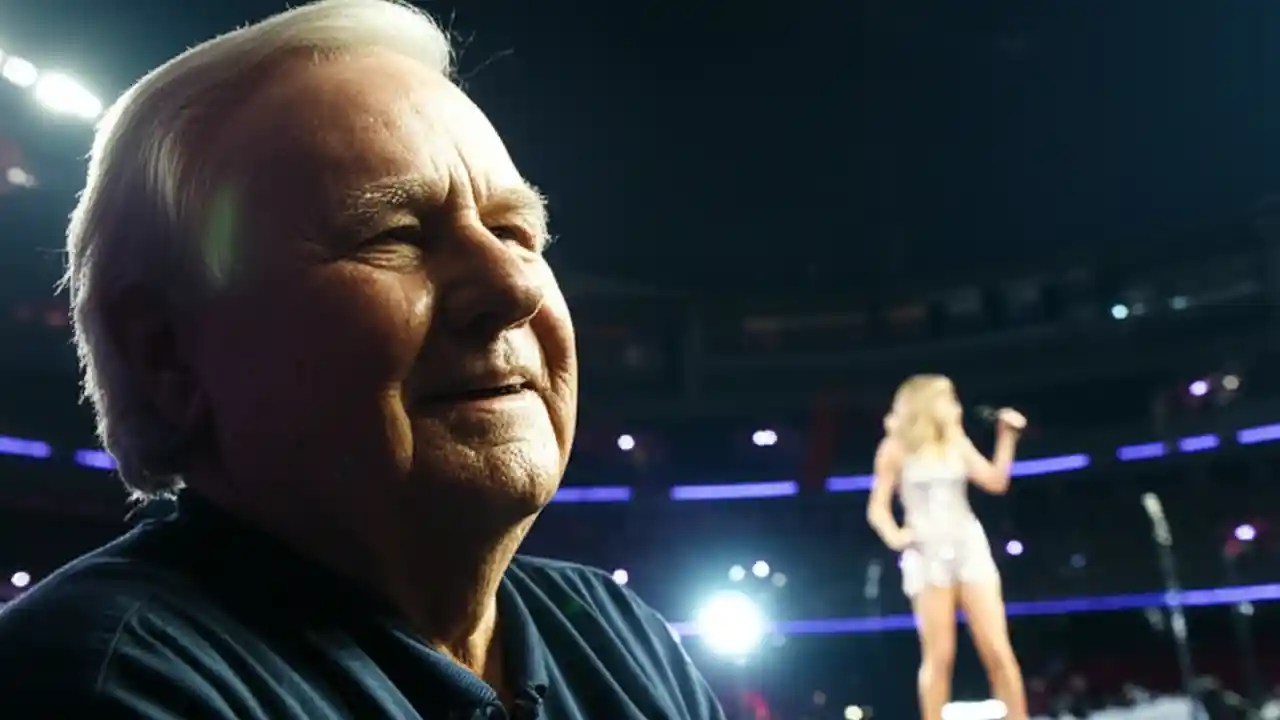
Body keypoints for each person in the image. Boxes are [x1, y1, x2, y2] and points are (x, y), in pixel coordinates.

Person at [0, 2, 726, 719]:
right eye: (393, 234)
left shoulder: (618, 635)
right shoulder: (101, 679)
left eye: (512, 231)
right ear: (168, 357)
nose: (511, 289)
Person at [866, 374, 1029, 720]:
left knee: (998, 649)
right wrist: (897, 537)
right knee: (940, 656)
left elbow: (995, 481)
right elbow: (877, 507)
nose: (955, 405)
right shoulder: (895, 447)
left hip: (968, 545)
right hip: (927, 554)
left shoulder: (956, 441)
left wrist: (1006, 438)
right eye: (948, 399)